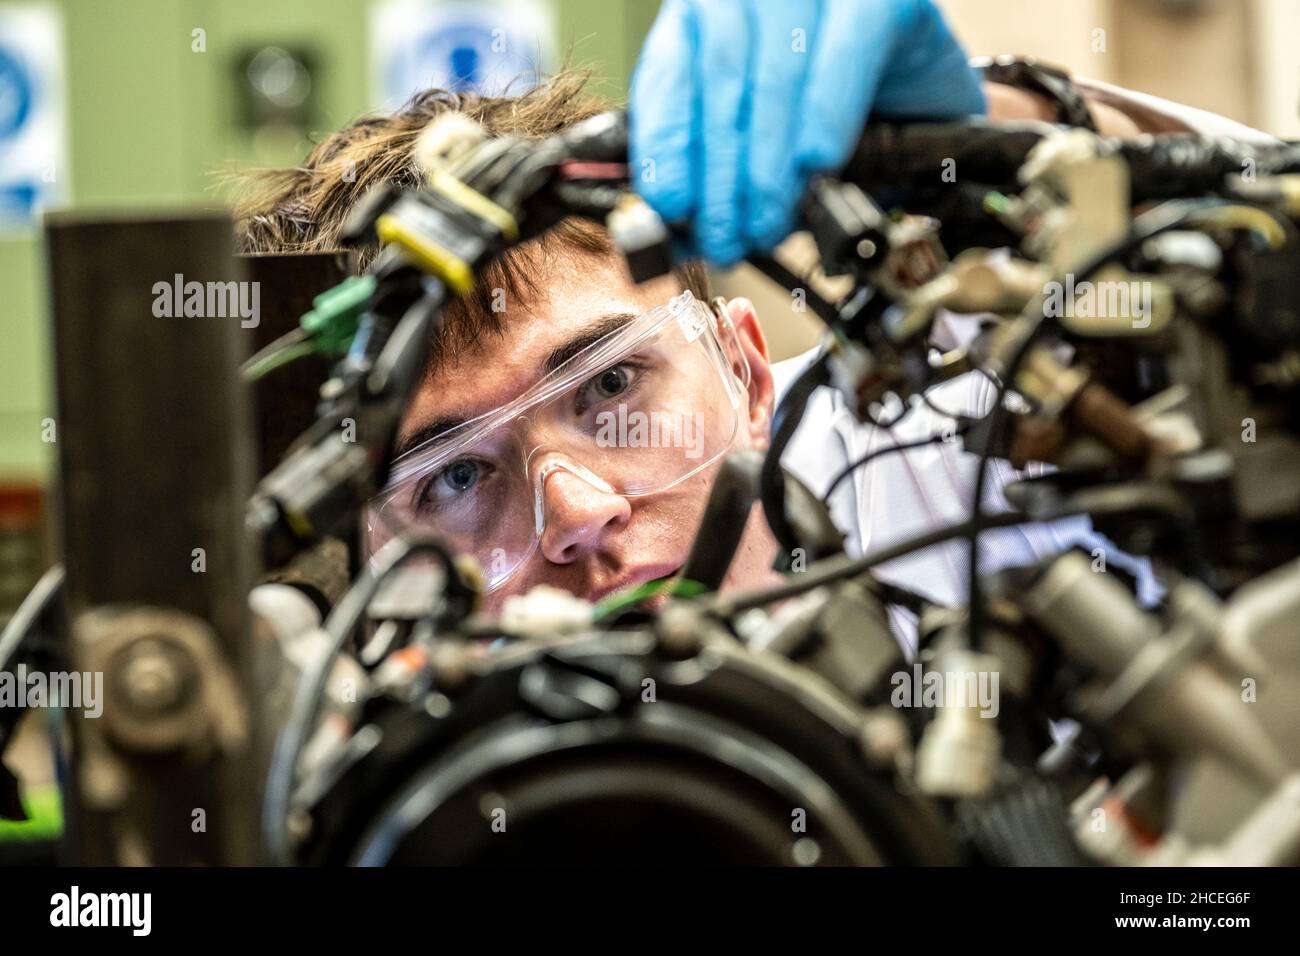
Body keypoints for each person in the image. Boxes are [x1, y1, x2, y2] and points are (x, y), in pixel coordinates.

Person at [236, 0, 1256, 645]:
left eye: (609, 386)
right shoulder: (373, 770)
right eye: (457, 475)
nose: (577, 516)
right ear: (370, 563)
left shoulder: (934, 463)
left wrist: (1014, 136)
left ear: (749, 368)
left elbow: (1254, 293)